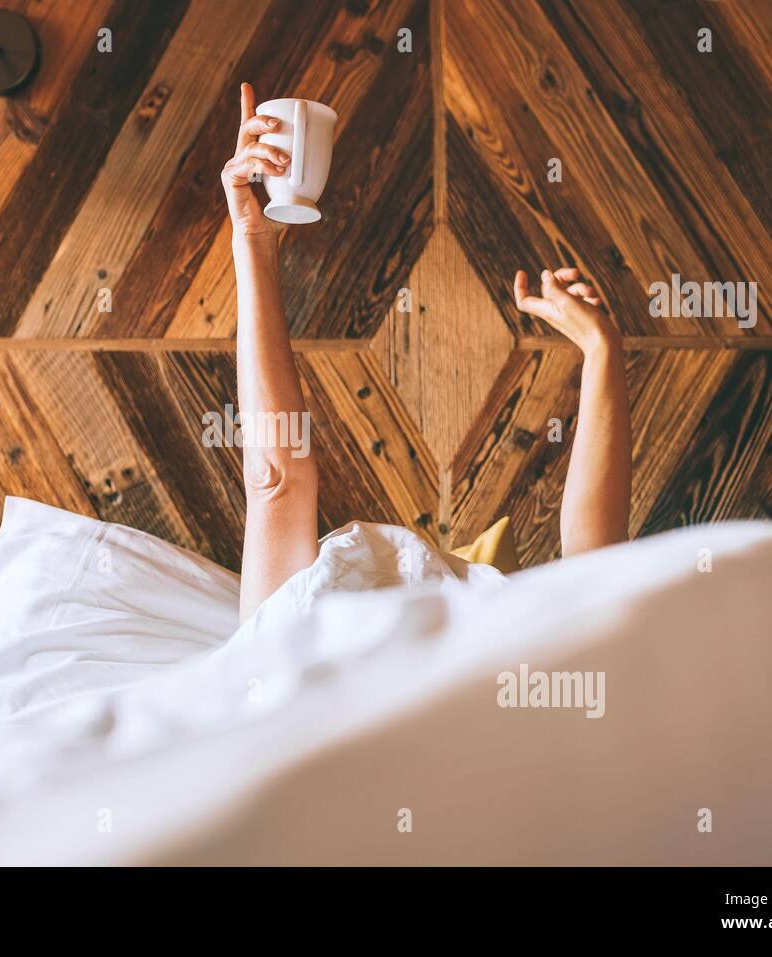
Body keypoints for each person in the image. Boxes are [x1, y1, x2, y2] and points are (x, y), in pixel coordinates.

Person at [221, 83, 632, 622]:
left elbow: (275, 483)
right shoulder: (281, 678)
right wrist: (602, 351)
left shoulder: (276, 682)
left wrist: (253, 238)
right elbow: (596, 587)